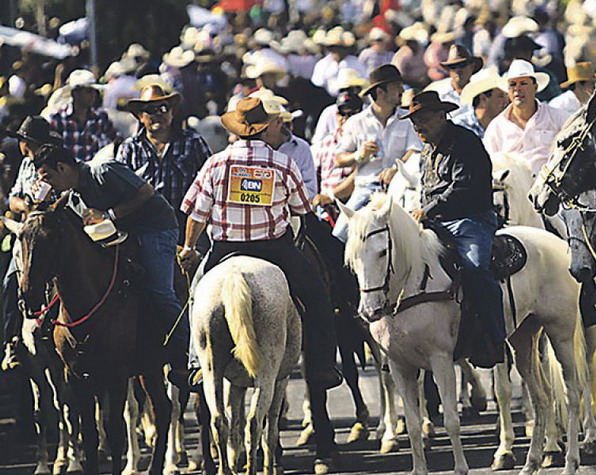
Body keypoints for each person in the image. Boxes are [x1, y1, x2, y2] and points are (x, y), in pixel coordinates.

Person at [178, 96, 342, 470]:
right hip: (275, 250)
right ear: (265, 128)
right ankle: (322, 365)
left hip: (225, 250)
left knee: (195, 300)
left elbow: (197, 213)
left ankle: (196, 364)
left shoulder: (216, 163)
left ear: (236, 130)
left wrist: (188, 248)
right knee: (318, 298)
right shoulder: (282, 162)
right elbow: (302, 209)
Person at [32, 144, 191, 388]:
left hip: (154, 228)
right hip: (119, 234)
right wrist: (40, 203)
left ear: (62, 167)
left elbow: (146, 191)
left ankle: (186, 357)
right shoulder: (73, 197)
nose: (49, 184)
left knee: (160, 291)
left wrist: (109, 215)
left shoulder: (104, 170)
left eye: (48, 177)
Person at [404, 91, 506, 368]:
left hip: (470, 220)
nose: (418, 127)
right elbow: (426, 190)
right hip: (435, 222)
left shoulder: (465, 142)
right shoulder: (427, 151)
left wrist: (427, 210)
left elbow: (464, 187)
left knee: (475, 268)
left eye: (423, 119)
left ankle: (495, 338)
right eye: (414, 122)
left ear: (441, 116)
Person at [332, 65, 423, 241]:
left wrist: (396, 169)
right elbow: (338, 159)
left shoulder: (407, 119)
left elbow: (415, 150)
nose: (402, 91)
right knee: (339, 235)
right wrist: (359, 155)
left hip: (400, 188)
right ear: (380, 92)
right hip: (366, 189)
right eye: (396, 87)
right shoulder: (356, 122)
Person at [0, 116, 63, 371]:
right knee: (11, 282)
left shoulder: (53, 161)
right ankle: (12, 340)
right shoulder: (26, 165)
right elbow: (13, 198)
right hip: (28, 232)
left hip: (53, 231)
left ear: (29, 142)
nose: (20, 144)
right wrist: (24, 206)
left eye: (22, 139)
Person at [116, 83, 212, 242]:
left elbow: (211, 182)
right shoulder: (130, 148)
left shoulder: (193, 142)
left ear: (172, 113)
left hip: (185, 227)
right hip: (144, 228)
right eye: (150, 110)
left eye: (163, 108)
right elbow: (118, 189)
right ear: (141, 117)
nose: (158, 114)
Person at [483, 59, 570, 175]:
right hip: (513, 185)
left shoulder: (558, 118)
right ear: (508, 91)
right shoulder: (496, 127)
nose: (517, 89)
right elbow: (490, 167)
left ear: (535, 87)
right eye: (513, 84)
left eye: (523, 83)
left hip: (551, 183)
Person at [48, 69, 117, 162]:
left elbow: (115, 140)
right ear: (75, 94)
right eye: (88, 91)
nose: (93, 95)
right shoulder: (58, 119)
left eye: (94, 91)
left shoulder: (100, 117)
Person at [312, 92, 361, 210]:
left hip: (354, 205)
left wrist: (331, 196)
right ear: (336, 115)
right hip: (325, 207)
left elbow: (357, 178)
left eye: (352, 114)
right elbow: (314, 178)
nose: (346, 119)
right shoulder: (324, 143)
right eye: (342, 113)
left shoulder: (365, 143)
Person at [310, 69, 368, 145]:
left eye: (352, 90)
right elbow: (317, 142)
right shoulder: (329, 112)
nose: (347, 93)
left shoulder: (368, 110)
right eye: (344, 90)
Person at [311, 27, 367, 97]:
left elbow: (364, 79)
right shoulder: (322, 64)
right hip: (326, 98)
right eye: (333, 48)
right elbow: (317, 83)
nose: (336, 51)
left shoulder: (355, 62)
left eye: (339, 48)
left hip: (351, 97)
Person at [455, 69, 508, 138]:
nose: (506, 101)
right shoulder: (460, 127)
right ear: (483, 99)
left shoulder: (505, 125)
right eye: (500, 96)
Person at [438, 44, 484, 119]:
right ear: (449, 71)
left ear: (472, 67)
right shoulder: (441, 97)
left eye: (462, 65)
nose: (458, 70)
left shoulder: (482, 94)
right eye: (453, 67)